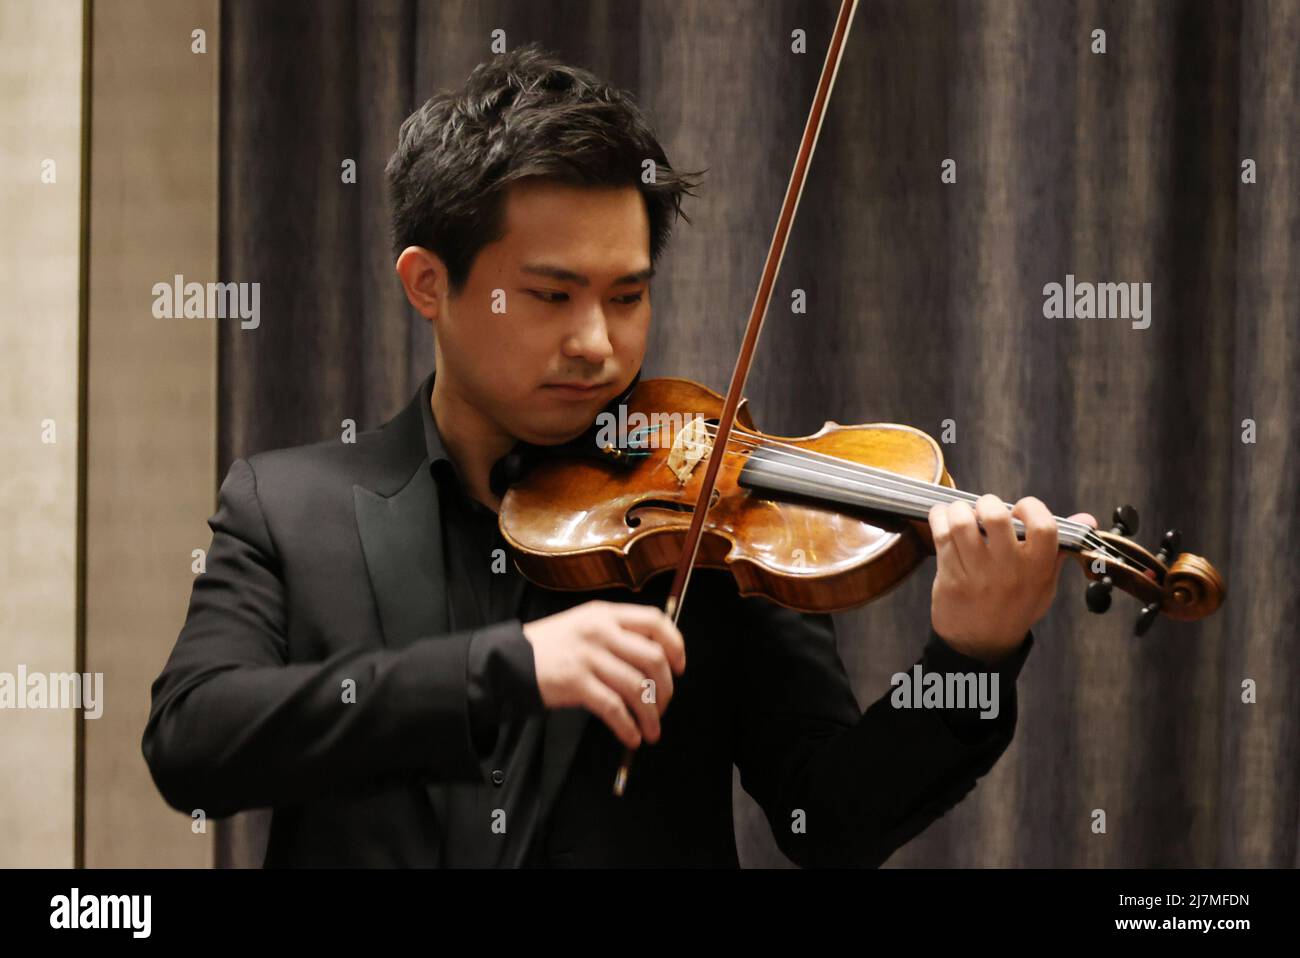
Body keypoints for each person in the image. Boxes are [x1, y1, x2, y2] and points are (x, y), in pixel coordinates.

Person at [143, 43, 1093, 867]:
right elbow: (193, 741)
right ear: (429, 284)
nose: (597, 344)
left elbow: (829, 822)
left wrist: (970, 656)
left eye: (628, 296)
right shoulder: (290, 503)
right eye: (552, 296)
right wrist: (503, 669)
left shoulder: (713, 512)